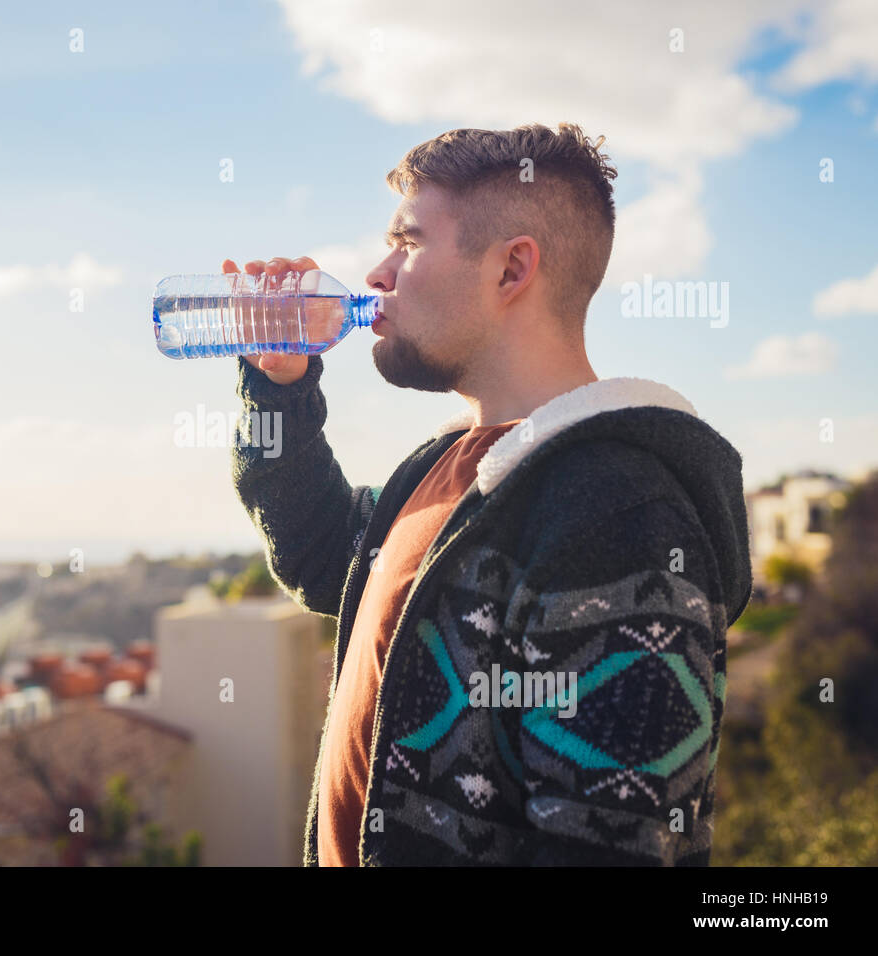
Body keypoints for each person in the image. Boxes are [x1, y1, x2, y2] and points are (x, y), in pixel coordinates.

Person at [227, 122, 752, 866]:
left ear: (511, 270)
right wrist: (279, 390)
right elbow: (322, 558)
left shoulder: (619, 515)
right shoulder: (450, 467)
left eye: (407, 243)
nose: (376, 274)